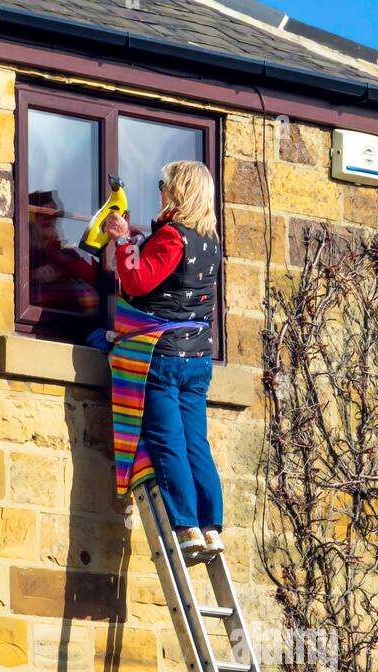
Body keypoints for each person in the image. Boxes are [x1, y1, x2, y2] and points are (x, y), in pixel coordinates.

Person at [104, 161, 224, 558]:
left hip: (163, 354)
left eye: (162, 185)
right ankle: (210, 528)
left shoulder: (172, 236)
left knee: (166, 441)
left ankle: (185, 525)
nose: (159, 191)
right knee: (195, 443)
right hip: (198, 357)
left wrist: (122, 242)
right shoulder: (210, 240)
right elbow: (174, 276)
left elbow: (138, 281)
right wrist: (139, 239)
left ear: (177, 191)